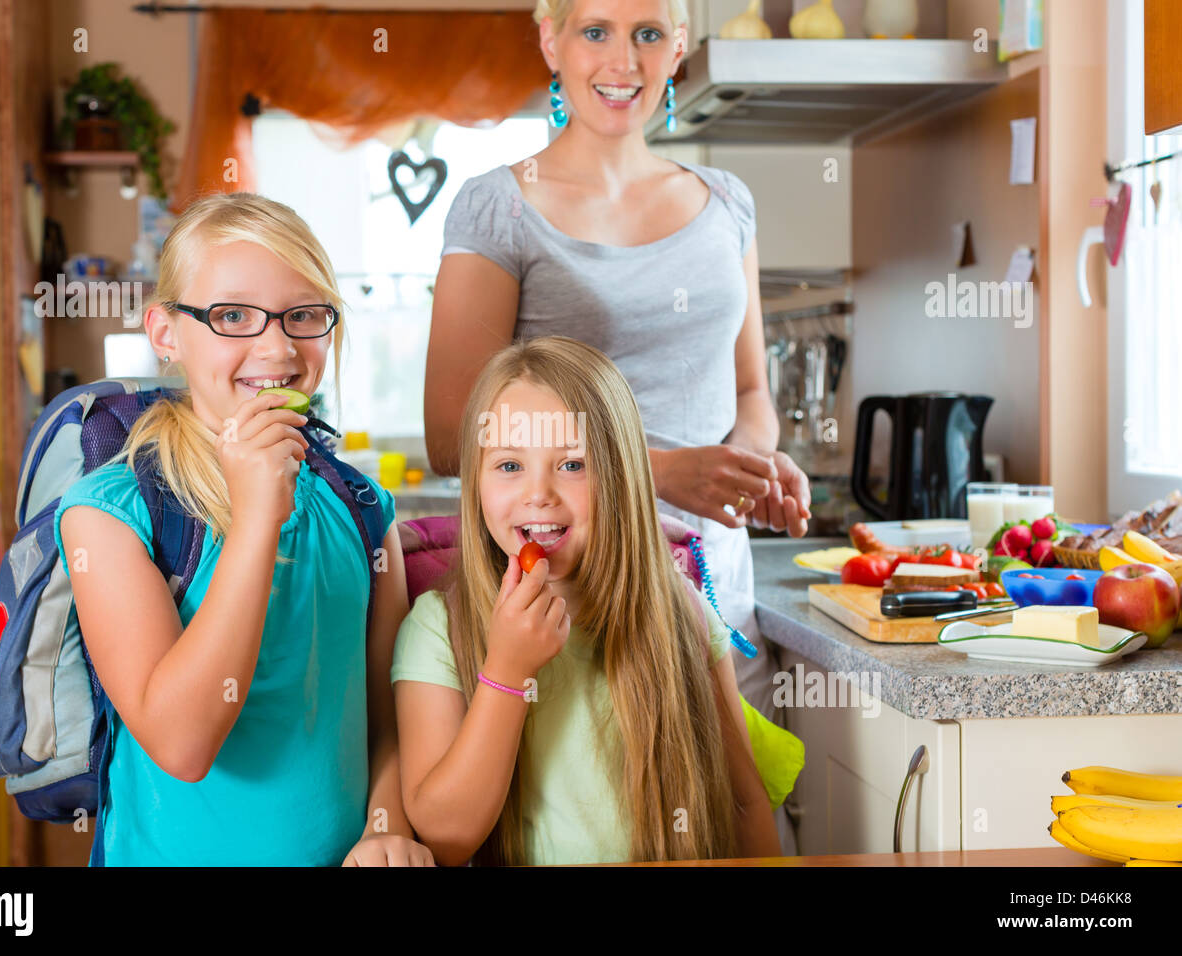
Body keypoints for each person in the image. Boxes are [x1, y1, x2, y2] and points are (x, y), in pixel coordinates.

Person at [424, 0, 812, 742]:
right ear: (550, 40)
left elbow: (750, 392)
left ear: (678, 47)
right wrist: (657, 472)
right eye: (594, 31)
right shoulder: (498, 207)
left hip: (718, 582)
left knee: (738, 820)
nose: (622, 61)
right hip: (575, 584)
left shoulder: (728, 202)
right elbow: (452, 436)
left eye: (648, 34)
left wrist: (753, 468)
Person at [55, 193, 432, 866]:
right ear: (166, 332)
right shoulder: (109, 511)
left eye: (305, 315)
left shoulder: (363, 506)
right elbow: (182, 744)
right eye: (232, 315)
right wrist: (257, 520)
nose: (278, 346)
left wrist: (383, 826)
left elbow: (387, 715)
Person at [394, 336, 781, 865]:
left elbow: (743, 802)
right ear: (475, 483)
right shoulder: (437, 627)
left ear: (620, 477)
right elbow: (447, 835)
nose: (539, 493)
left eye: (572, 465)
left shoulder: (680, 610)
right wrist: (507, 669)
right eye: (509, 466)